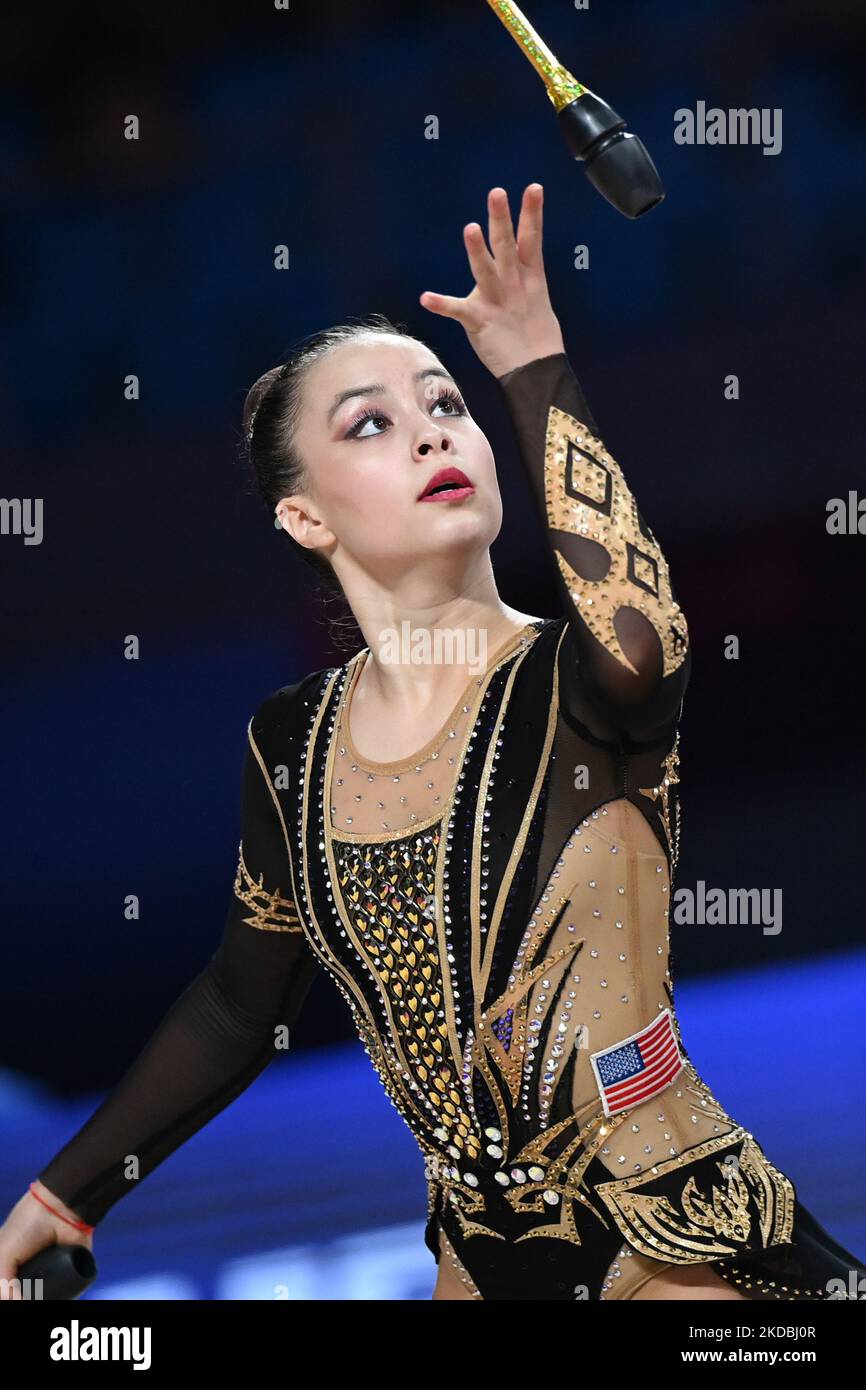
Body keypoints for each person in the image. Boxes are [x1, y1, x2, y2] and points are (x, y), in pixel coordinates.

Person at [2, 185, 862, 1302]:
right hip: (477, 1264)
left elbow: (645, 631)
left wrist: (532, 364)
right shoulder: (290, 746)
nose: (430, 431)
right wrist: (63, 1194)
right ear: (305, 517)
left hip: (678, 1247)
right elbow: (236, 1004)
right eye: (370, 422)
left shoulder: (581, 681)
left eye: (445, 403)